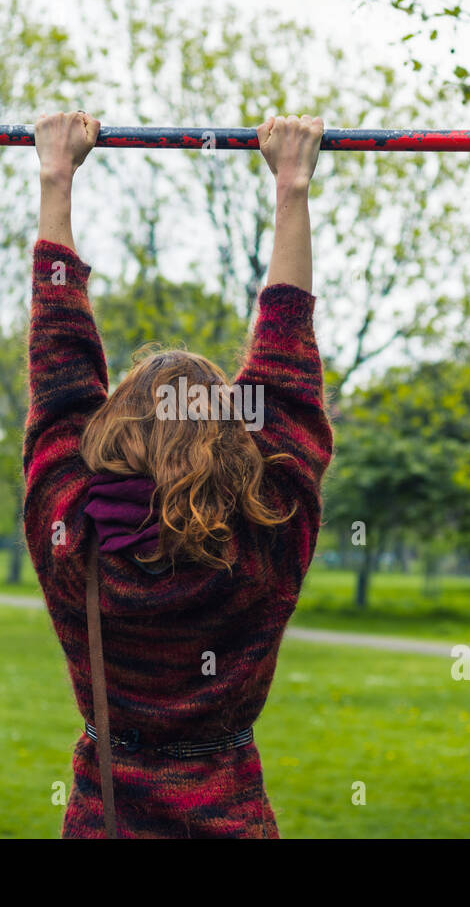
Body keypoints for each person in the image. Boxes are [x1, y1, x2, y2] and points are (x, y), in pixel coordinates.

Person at [23, 110, 332, 838]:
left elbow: (60, 372)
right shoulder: (270, 529)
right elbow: (287, 377)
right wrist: (292, 186)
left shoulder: (71, 531)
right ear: (234, 443)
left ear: (109, 436)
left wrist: (55, 177)